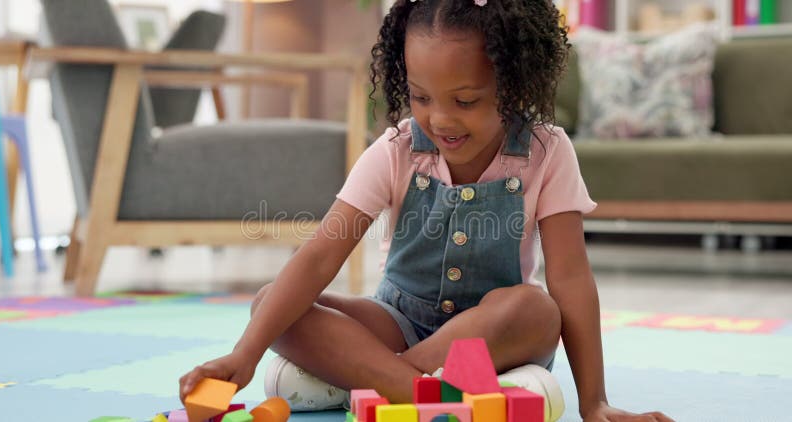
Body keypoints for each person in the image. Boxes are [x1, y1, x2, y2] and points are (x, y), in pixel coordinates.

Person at [180, 1, 672, 420]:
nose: (440, 118)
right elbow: (318, 259)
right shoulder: (396, 149)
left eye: (465, 100)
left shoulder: (547, 152)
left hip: (490, 338)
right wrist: (243, 356)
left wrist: (596, 403)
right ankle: (428, 396)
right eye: (420, 97)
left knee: (537, 308)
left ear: (516, 84)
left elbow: (570, 278)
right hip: (396, 322)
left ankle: (370, 382)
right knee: (270, 303)